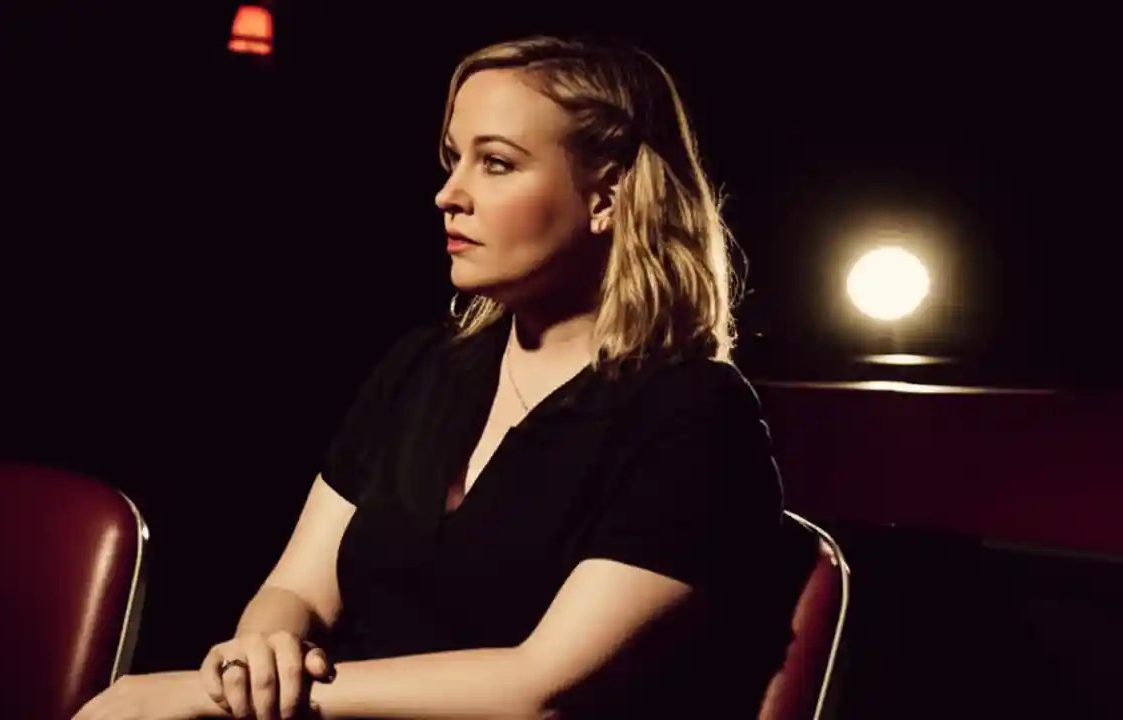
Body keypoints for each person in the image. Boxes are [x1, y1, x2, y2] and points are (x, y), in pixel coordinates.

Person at [73, 34, 791, 720]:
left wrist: (203, 695)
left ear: (606, 198)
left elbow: (539, 690)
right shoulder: (424, 367)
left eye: (497, 163)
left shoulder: (694, 414)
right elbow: (296, 588)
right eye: (453, 160)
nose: (449, 194)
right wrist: (259, 658)